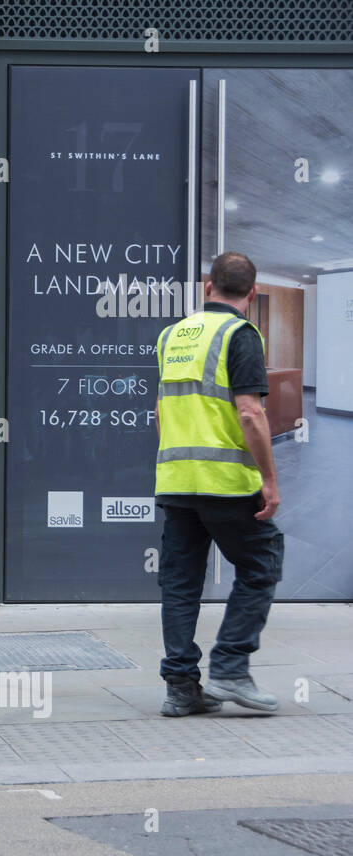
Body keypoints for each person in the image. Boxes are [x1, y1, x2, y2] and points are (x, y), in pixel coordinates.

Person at [154, 251, 283, 716]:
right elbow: (250, 411)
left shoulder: (173, 335)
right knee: (262, 564)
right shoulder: (241, 334)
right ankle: (230, 667)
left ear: (207, 288)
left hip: (176, 481)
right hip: (225, 482)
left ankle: (181, 688)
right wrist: (268, 478)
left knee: (180, 585)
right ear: (251, 293)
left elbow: (161, 409)